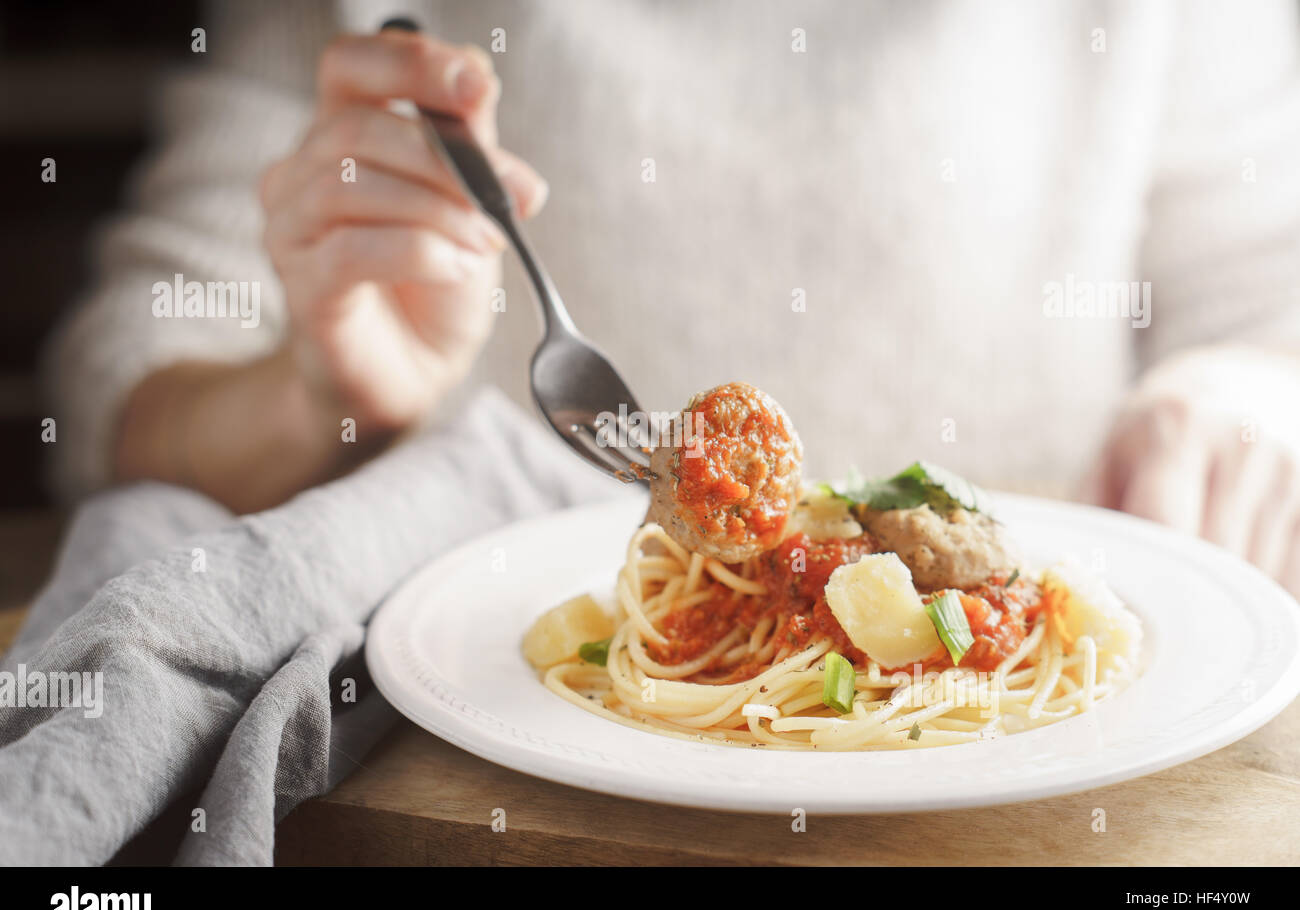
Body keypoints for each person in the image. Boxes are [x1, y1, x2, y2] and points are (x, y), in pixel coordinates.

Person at [44, 0, 1300, 594]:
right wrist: (318, 391)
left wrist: (1248, 387)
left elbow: (1271, 284)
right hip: (485, 736)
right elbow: (122, 387)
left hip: (1043, 712)